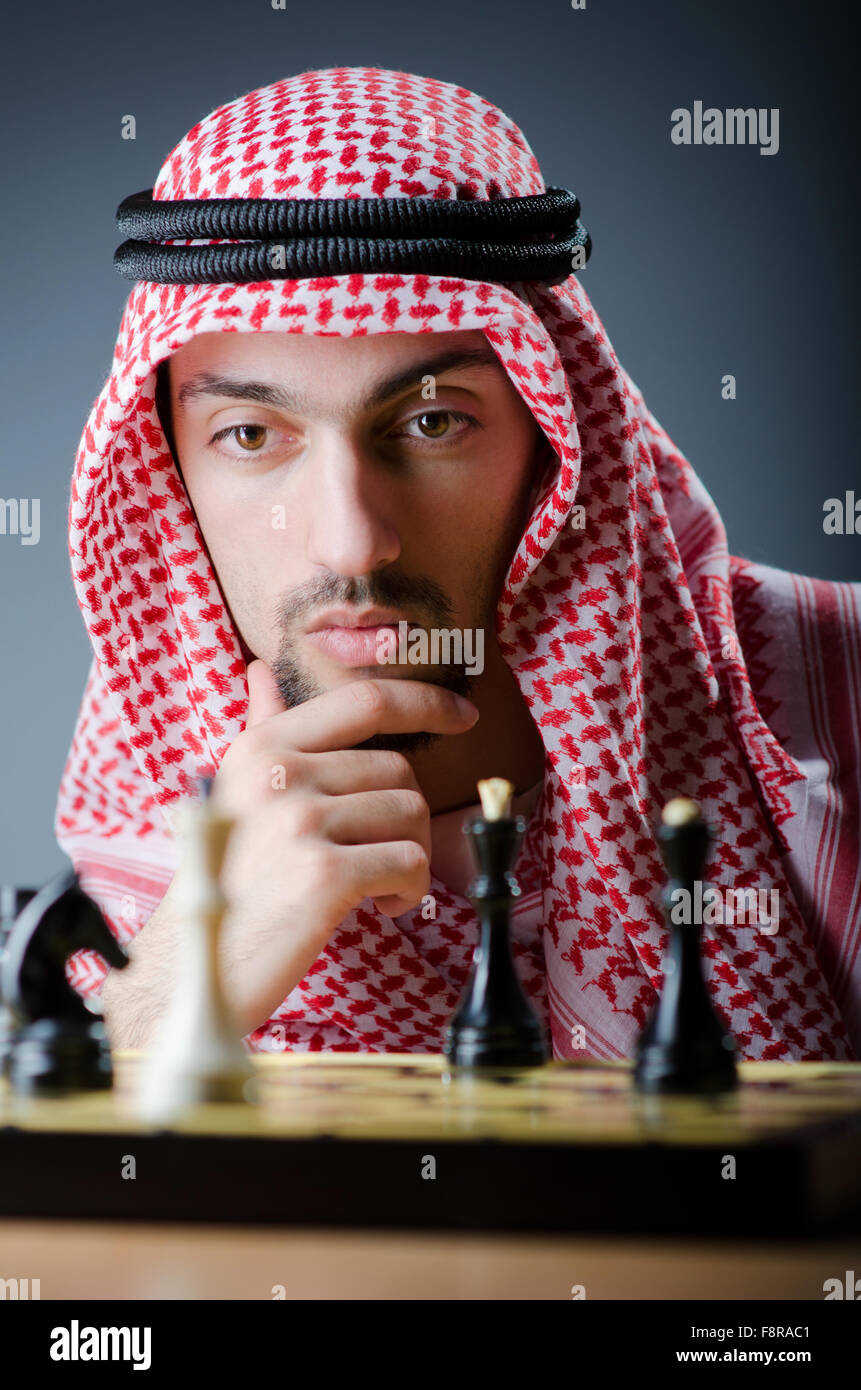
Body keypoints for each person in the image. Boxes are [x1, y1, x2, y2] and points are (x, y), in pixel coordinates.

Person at [56, 65, 861, 1061]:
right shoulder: (126, 848)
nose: (351, 541)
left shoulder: (838, 698)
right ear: (169, 473)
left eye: (433, 422)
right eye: (252, 436)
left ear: (556, 444)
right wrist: (170, 994)